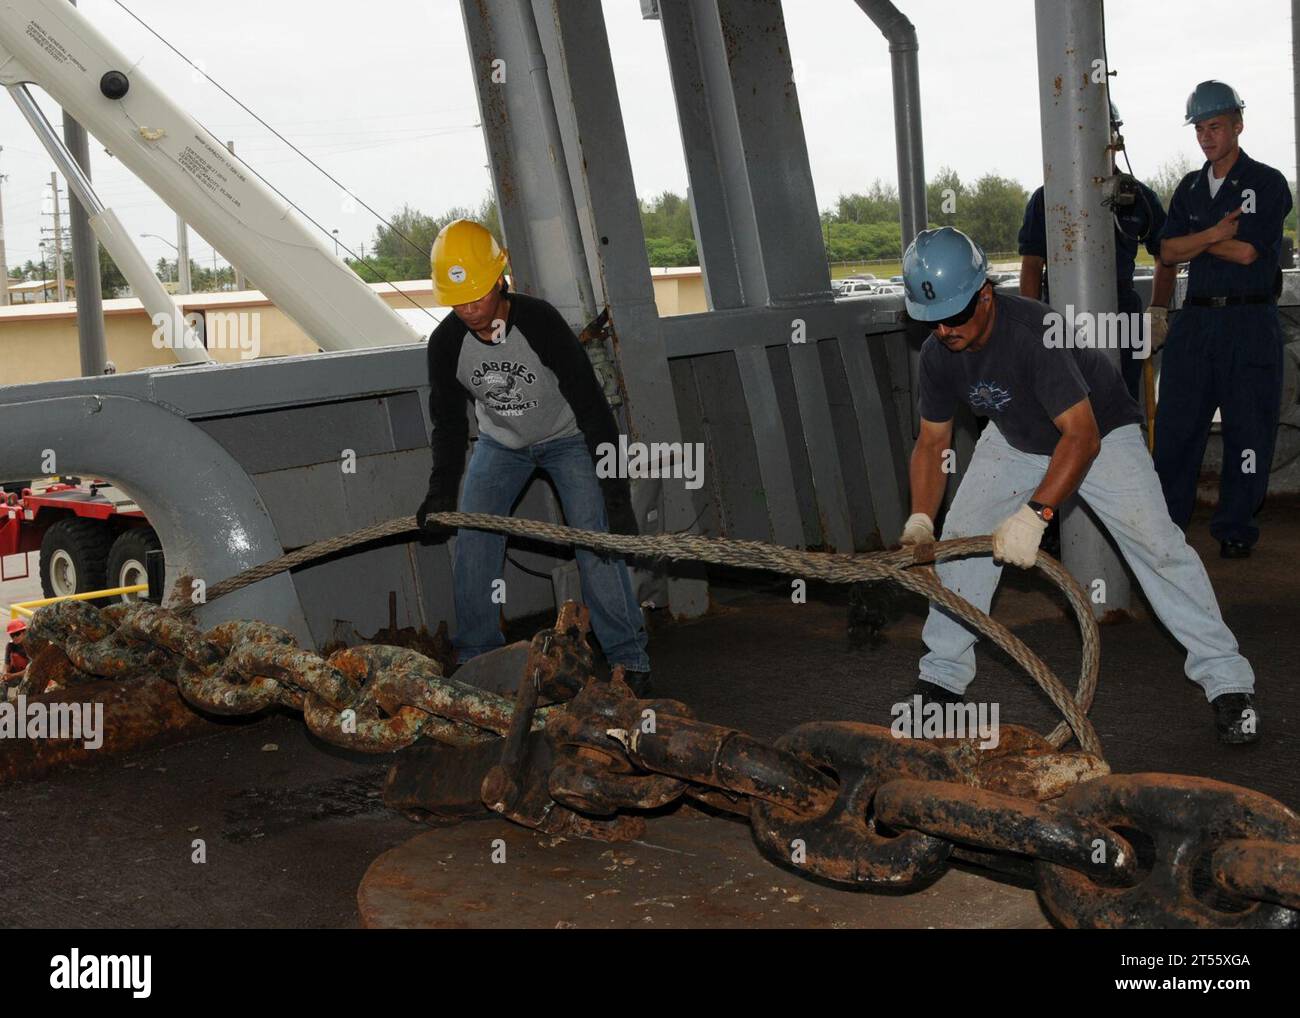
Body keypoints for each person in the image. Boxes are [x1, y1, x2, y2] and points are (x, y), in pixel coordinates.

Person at [898, 226, 1258, 743]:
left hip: (1100, 432)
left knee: (1159, 548)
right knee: (959, 547)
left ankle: (1228, 684)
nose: (944, 331)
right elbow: (932, 444)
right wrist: (920, 520)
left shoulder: (1034, 331)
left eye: (953, 316)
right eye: (930, 321)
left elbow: (1082, 438)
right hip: (1016, 436)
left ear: (984, 295)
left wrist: (1036, 516)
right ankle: (941, 679)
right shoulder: (938, 355)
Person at [415, 219, 651, 693]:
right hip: (501, 444)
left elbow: (591, 406)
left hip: (567, 438)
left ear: (499, 281)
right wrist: (440, 492)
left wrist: (616, 497)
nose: (469, 310)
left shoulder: (539, 322)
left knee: (595, 542)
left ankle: (629, 660)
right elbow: (448, 423)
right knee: (475, 534)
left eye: (478, 296)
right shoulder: (445, 345)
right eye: (458, 302)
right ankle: (476, 658)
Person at [1153, 80, 1293, 559]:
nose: (1206, 137)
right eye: (1199, 128)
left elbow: (1248, 250)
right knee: (1176, 429)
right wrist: (1213, 232)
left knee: (1248, 432)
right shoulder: (1189, 187)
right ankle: (1168, 525)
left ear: (1237, 125)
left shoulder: (1267, 182)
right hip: (1195, 324)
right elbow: (1166, 252)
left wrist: (1193, 238)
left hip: (1248, 322)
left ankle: (1235, 528)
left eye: (1215, 126)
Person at [1018, 100, 1177, 401]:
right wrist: (1031, 322)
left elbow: (1166, 254)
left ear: (1115, 139)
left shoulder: (1139, 197)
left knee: (1120, 399)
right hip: (1062, 311)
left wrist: (1157, 310)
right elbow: (1032, 263)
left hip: (1122, 310)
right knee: (1065, 399)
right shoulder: (1047, 199)